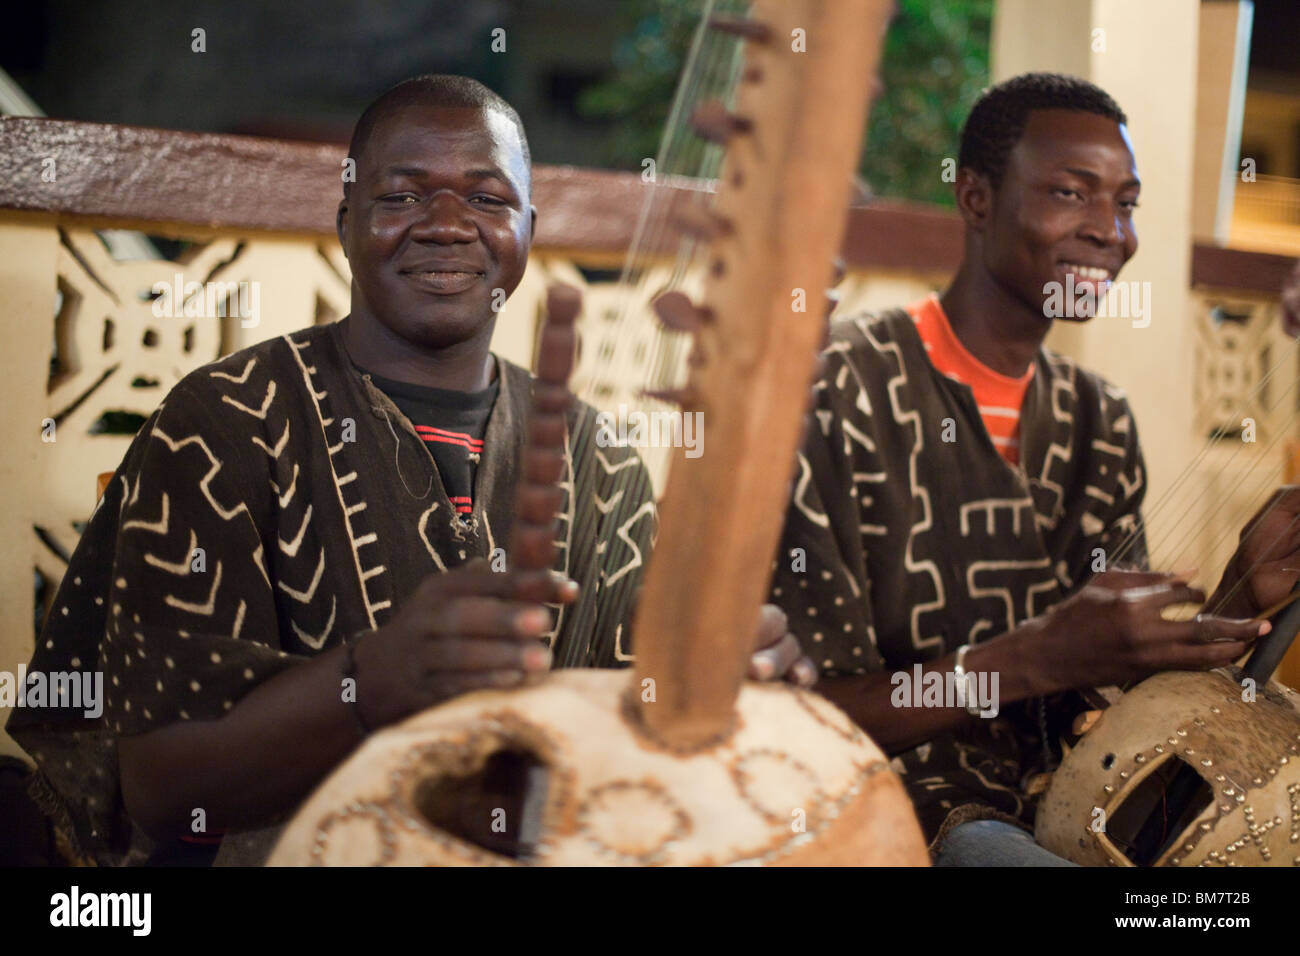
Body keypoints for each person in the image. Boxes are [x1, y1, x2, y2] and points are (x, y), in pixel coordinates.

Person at [8, 74, 813, 866]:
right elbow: (160, 790)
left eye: (488, 199)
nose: (447, 225)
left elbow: (629, 740)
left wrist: (720, 677)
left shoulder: (598, 459)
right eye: (402, 196)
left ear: (529, 229)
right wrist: (373, 680)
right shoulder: (221, 425)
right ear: (347, 219)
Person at [770, 72, 1300, 865]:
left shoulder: (1099, 420)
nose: (1108, 231)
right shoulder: (842, 391)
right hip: (898, 821)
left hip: (1076, 815)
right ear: (975, 198)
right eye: (1070, 192)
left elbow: (1111, 697)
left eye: (1125, 204)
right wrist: (1033, 657)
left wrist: (1239, 596)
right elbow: (800, 717)